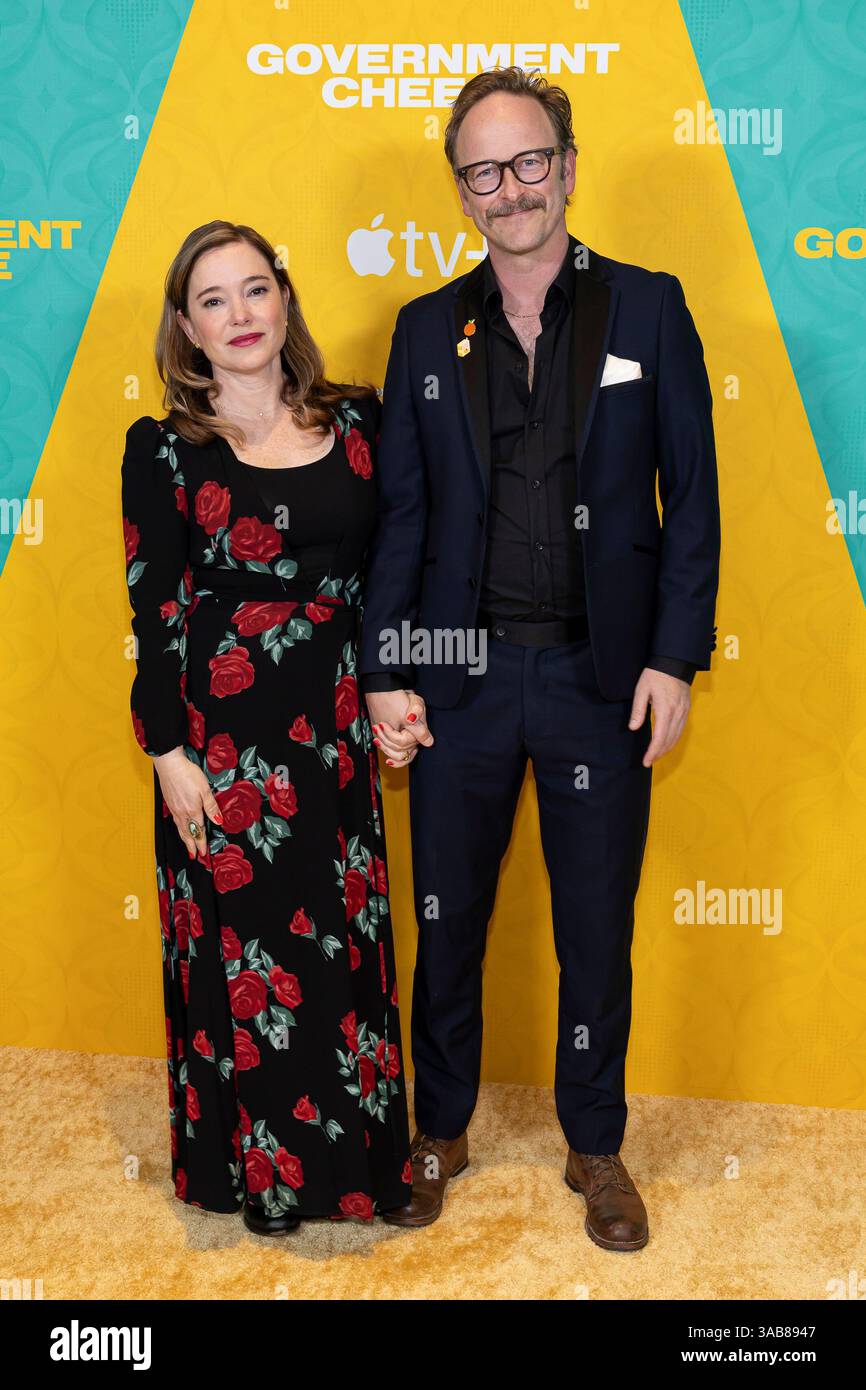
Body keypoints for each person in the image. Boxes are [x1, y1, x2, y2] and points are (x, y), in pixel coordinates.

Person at [360, 67, 721, 1251]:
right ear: (460, 190)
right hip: (458, 673)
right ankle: (439, 1127)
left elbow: (691, 501)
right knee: (446, 916)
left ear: (566, 166)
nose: (507, 188)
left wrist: (672, 657)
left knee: (592, 923)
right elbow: (400, 523)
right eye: (482, 170)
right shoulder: (421, 329)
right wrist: (388, 670)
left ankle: (595, 1141)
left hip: (595, 678)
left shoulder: (650, 310)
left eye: (527, 162)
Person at [121, 220, 415, 1235]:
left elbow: (390, 570)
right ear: (186, 328)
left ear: (285, 302)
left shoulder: (361, 418)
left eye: (255, 290)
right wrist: (165, 752)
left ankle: (354, 1167)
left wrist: (389, 681)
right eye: (213, 299)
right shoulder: (161, 447)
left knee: (338, 943)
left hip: (330, 727)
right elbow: (153, 605)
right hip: (219, 738)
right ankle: (259, 1182)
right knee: (240, 961)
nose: (239, 315)